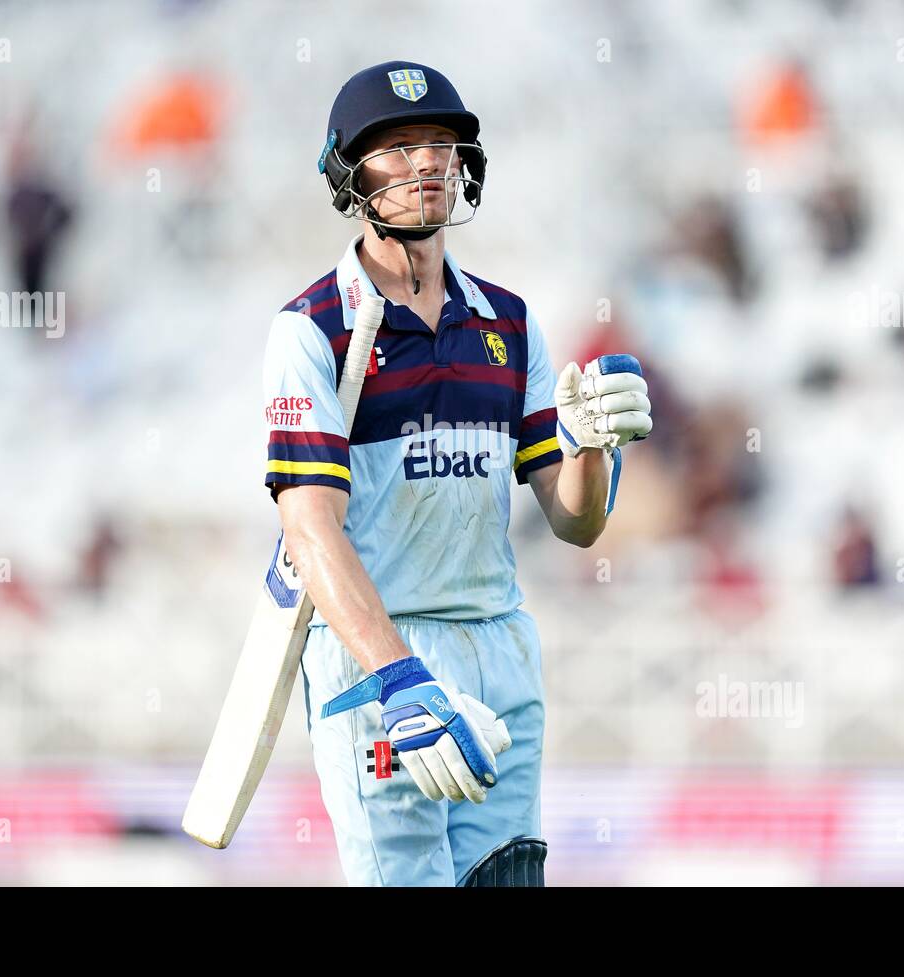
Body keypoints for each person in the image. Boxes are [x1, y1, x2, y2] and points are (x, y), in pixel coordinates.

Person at [261, 61, 653, 886]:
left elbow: (575, 522)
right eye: (395, 148)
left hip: (500, 642)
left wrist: (589, 442)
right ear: (348, 173)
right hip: (380, 655)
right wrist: (399, 680)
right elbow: (310, 527)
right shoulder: (312, 331)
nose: (423, 164)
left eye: (438, 144)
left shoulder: (508, 321)